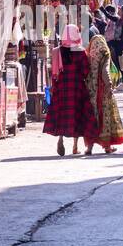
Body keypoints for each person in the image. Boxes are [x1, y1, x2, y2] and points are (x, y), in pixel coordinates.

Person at [44, 24, 94, 156]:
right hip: (77, 87)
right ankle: (75, 146)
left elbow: (53, 72)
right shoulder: (80, 51)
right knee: (77, 114)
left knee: (62, 112)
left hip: (61, 86)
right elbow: (85, 71)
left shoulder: (57, 51)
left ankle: (60, 138)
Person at [85, 33, 123, 154]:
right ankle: (107, 147)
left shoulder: (89, 54)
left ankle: (89, 147)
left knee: (92, 116)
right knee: (106, 116)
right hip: (103, 90)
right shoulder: (105, 53)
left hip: (91, 89)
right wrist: (109, 86)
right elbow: (105, 71)